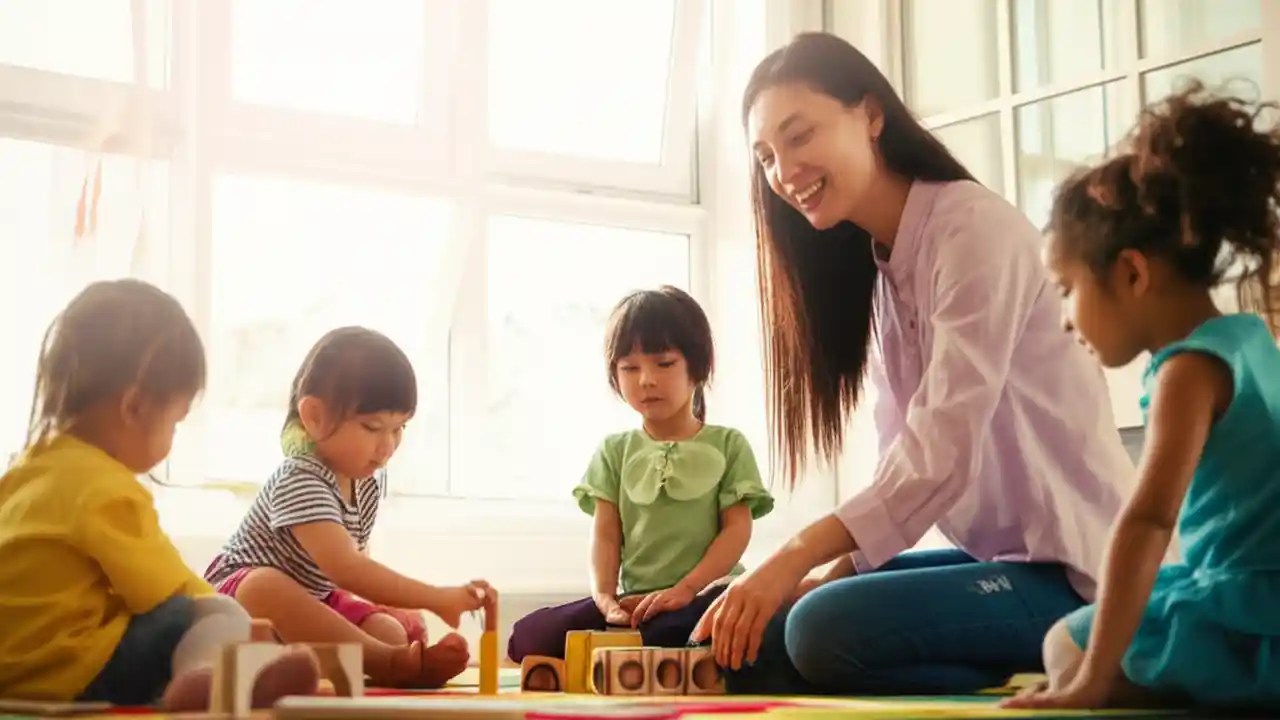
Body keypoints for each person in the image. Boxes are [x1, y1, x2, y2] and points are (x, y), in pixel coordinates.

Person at [690, 32, 1135, 695]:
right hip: (1003, 566)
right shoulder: (888, 269)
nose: (783, 171)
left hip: (1078, 576)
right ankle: (1001, 668)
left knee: (817, 631)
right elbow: (898, 460)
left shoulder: (972, 230)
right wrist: (828, 573)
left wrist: (791, 558)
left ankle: (1085, 663)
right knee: (769, 636)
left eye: (799, 134)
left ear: (870, 115)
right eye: (766, 157)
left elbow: (938, 457)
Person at [1004, 82, 1280, 711]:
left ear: (1131, 272)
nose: (1068, 320)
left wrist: (1094, 678)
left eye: (1067, 288)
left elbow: (1150, 521)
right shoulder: (1250, 338)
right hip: (1255, 597)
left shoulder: (1190, 369)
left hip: (1255, 626)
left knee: (1065, 646)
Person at [0, 279, 318, 710]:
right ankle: (207, 682)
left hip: (11, 679)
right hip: (74, 674)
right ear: (134, 408)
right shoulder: (107, 489)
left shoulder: (22, 473)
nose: (173, 436)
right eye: (175, 421)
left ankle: (231, 679)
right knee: (214, 614)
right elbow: (170, 591)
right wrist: (243, 624)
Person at [204, 327, 493, 688]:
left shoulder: (366, 482)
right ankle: (387, 664)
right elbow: (347, 568)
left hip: (315, 599)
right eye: (372, 428)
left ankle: (340, 660)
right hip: (237, 603)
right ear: (314, 417)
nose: (388, 446)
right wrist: (437, 598)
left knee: (388, 631)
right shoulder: (300, 478)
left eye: (399, 428)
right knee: (264, 586)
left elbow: (351, 572)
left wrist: (388, 609)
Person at [507, 286, 773, 660]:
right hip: (636, 604)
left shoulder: (729, 444)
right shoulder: (615, 450)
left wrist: (686, 588)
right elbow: (606, 533)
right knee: (529, 636)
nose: (646, 379)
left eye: (664, 363)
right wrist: (604, 598)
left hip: (706, 594)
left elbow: (737, 529)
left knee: (673, 631)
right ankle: (635, 644)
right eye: (630, 368)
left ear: (697, 366)